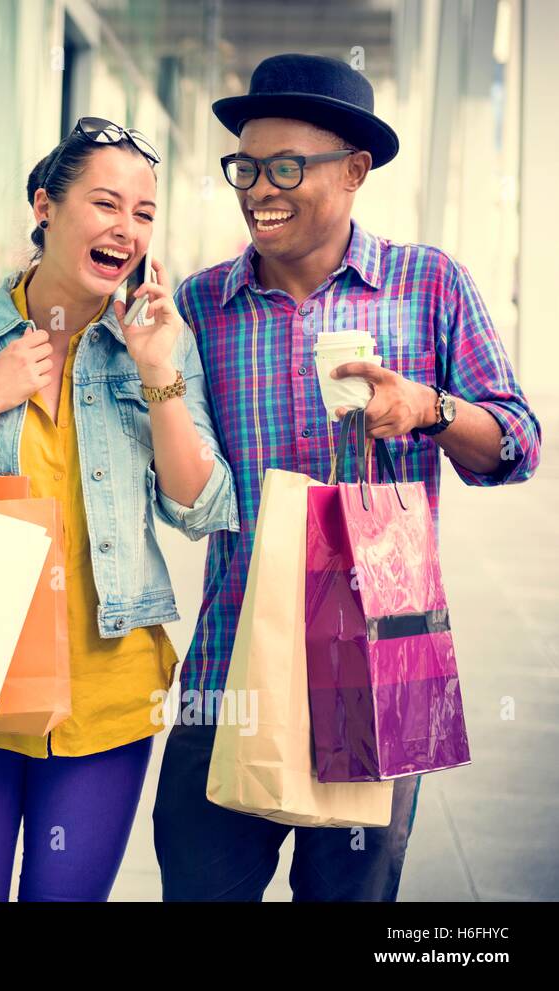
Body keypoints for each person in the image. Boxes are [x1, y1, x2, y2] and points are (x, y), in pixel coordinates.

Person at [154, 53, 542, 901]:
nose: (261, 189)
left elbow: (516, 442)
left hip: (376, 676)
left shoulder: (429, 284)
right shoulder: (203, 305)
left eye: (287, 167)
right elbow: (180, 481)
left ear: (356, 171)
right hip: (228, 670)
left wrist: (429, 408)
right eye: (246, 168)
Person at [0, 117, 239, 901]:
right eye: (106, 203)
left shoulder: (157, 348)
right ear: (45, 206)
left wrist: (159, 375)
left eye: (144, 213)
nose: (126, 228)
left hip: (105, 693)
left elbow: (202, 505)